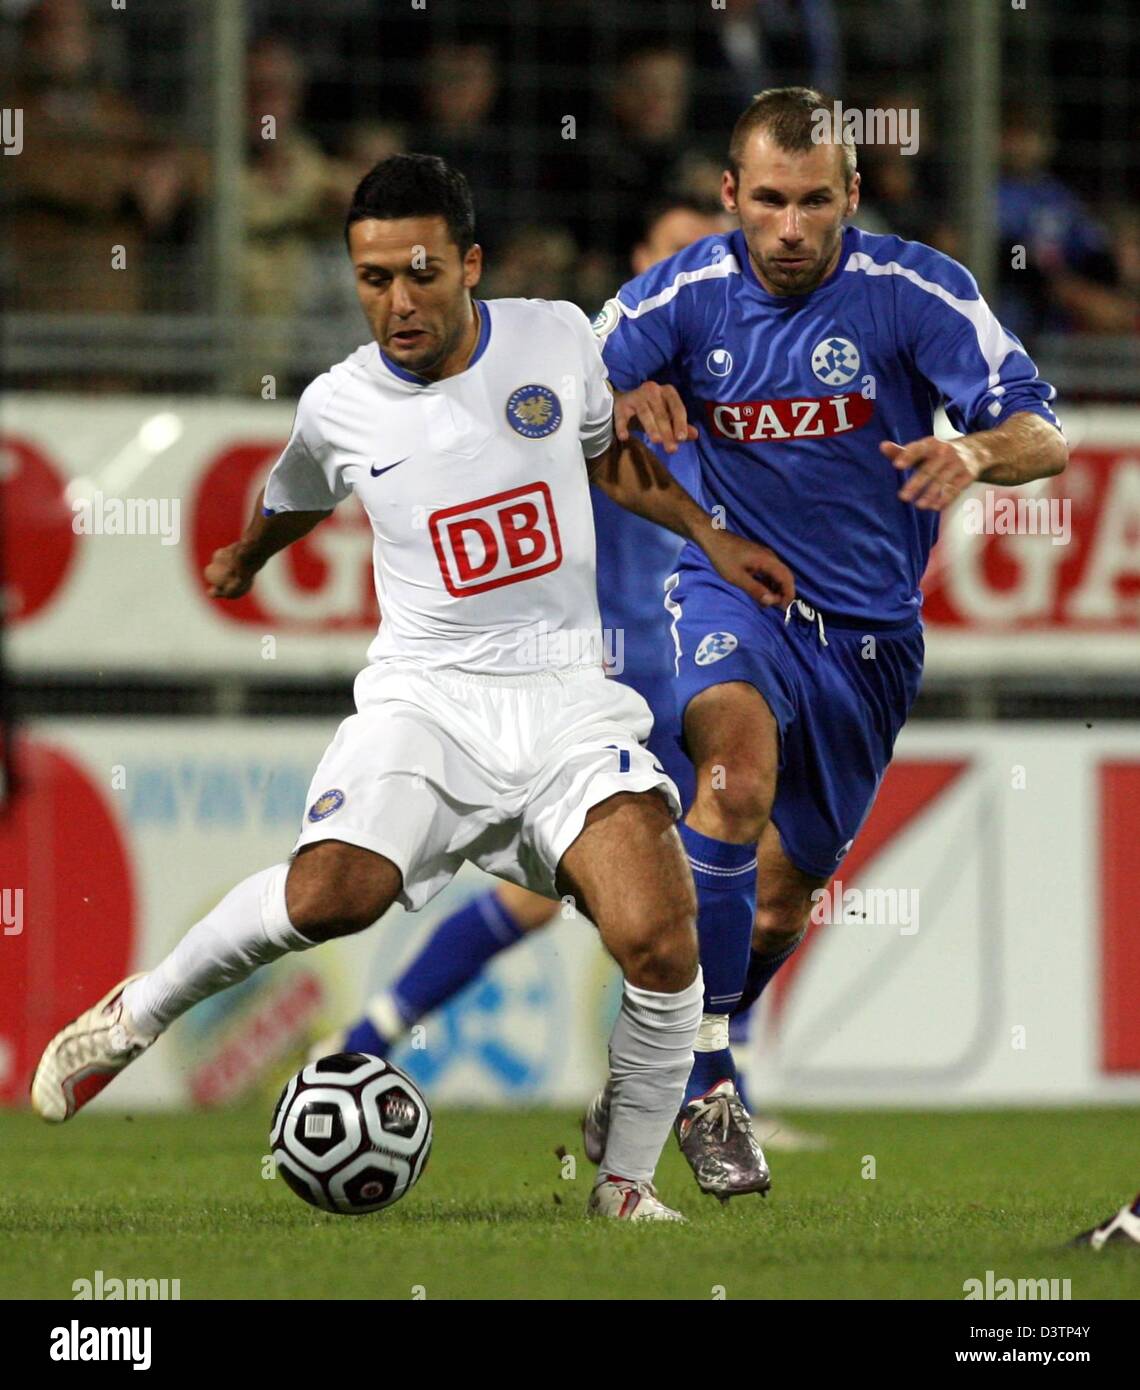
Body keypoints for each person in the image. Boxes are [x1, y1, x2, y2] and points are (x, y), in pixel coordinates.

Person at [30, 155, 795, 1222]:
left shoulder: (556, 338)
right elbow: (293, 495)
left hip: (568, 699)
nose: (397, 301)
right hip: (427, 704)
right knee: (329, 894)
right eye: (373, 278)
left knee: (663, 940)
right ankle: (136, 1014)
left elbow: (605, 459)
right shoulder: (341, 402)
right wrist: (248, 557)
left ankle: (622, 1187)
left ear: (471, 264)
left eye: (420, 273)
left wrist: (714, 536)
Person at [591, 86, 1068, 1197]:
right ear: (729, 195)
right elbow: (552, 389)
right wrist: (618, 399)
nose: (792, 227)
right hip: (735, 595)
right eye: (769, 200)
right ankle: (707, 1083)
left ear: (852, 196)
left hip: (870, 639)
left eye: (815, 202)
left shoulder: (913, 292)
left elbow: (1040, 425)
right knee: (732, 781)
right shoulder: (684, 294)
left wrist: (978, 456)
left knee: (777, 902)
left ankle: (658, 1059)